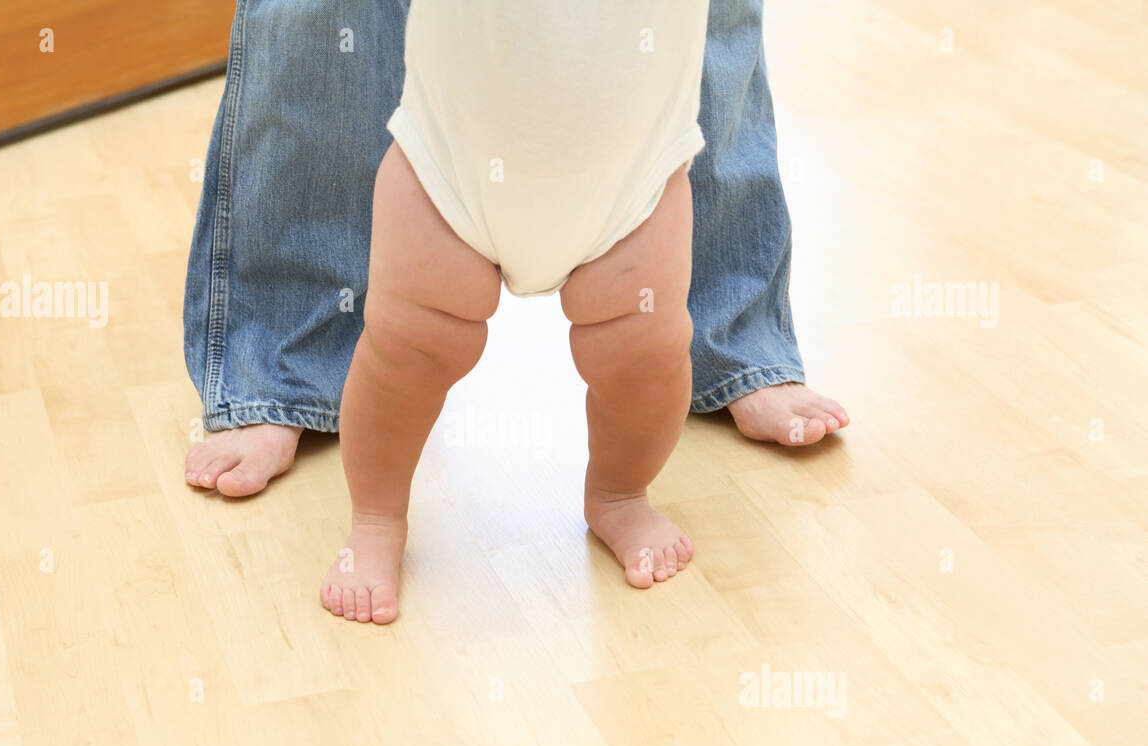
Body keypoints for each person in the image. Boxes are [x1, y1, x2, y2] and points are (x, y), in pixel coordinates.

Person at [183, 0, 848, 501]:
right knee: (412, 331)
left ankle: (718, 330)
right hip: (446, 153)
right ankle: (286, 354)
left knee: (645, 331)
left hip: (640, 166)